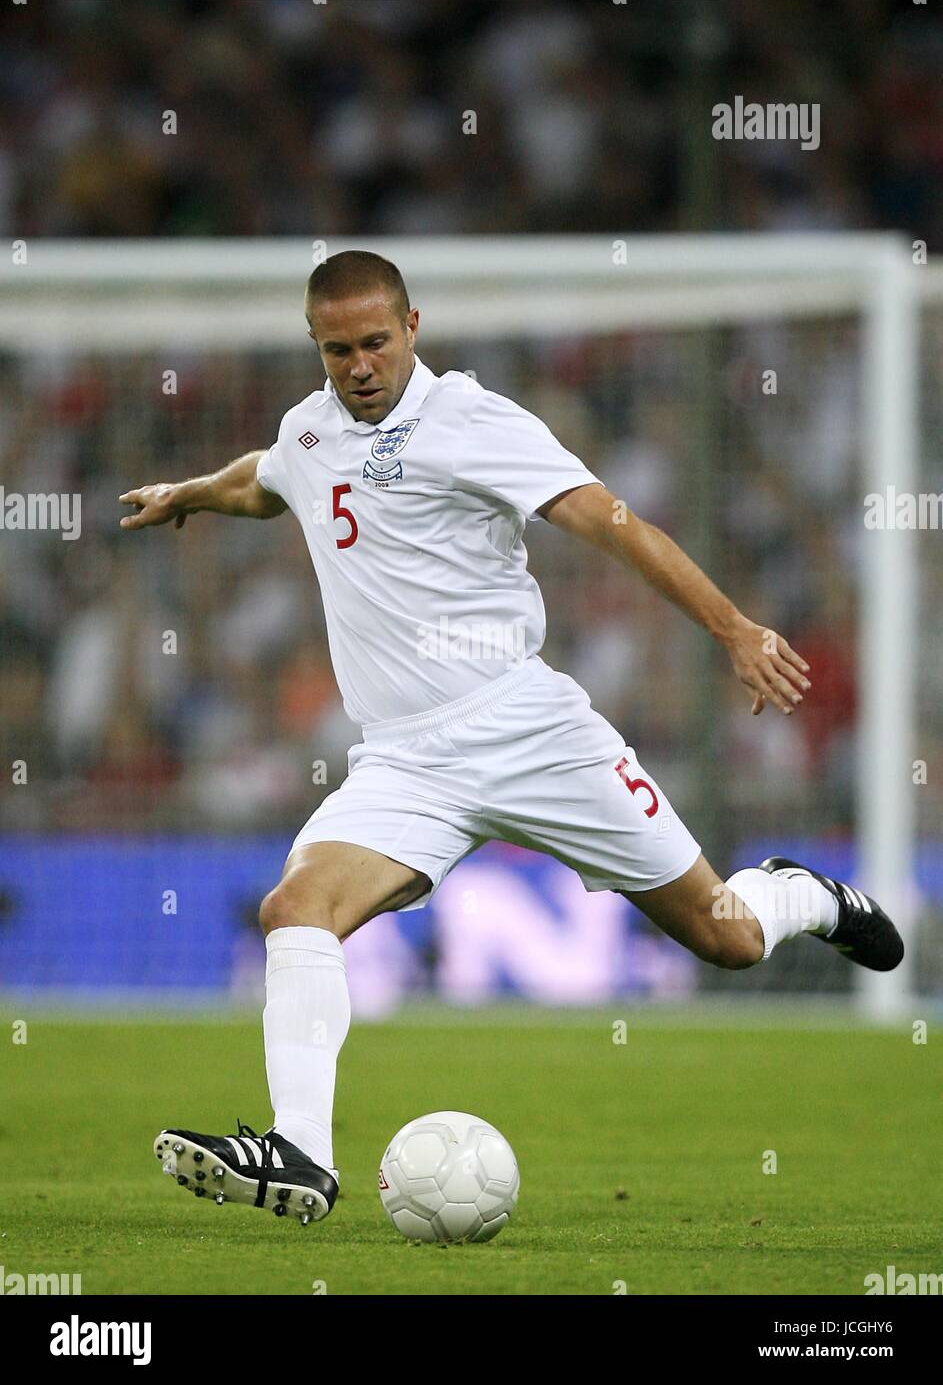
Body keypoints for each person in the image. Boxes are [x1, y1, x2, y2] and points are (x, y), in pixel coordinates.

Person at [121, 251, 903, 1226]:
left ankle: (800, 893)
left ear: (411, 324)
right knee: (295, 909)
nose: (359, 365)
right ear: (314, 347)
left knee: (726, 938)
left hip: (531, 731)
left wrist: (731, 628)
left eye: (374, 342)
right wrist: (189, 491)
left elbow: (613, 522)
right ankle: (301, 1152)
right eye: (337, 350)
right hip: (405, 759)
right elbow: (267, 482)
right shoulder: (310, 427)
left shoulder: (473, 421)